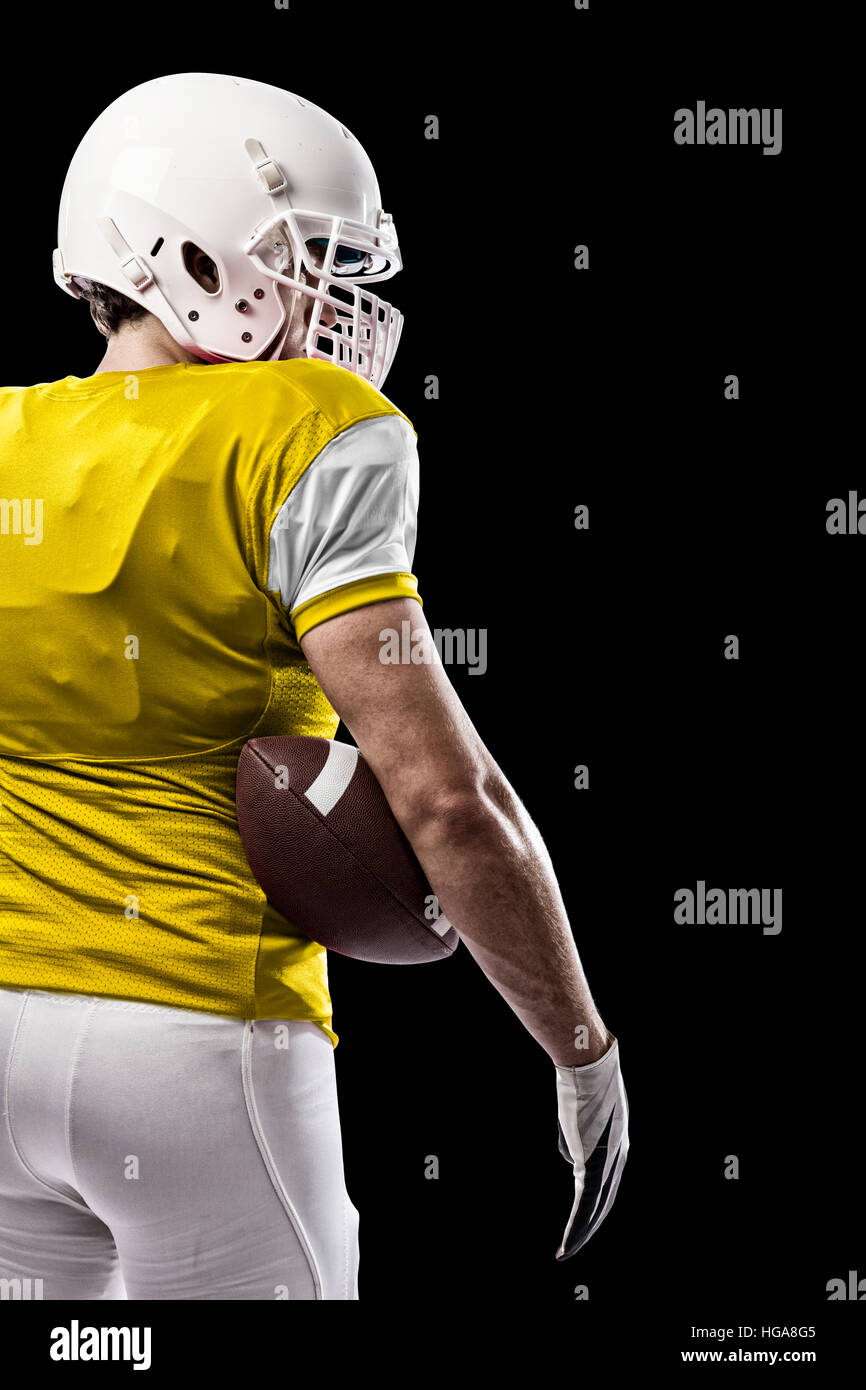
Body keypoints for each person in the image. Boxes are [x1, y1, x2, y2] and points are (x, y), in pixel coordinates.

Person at [0, 72, 628, 1301]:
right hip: (197, 1031)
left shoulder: (8, 436)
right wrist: (579, 1047)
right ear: (188, 249)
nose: (334, 299)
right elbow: (451, 804)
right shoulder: (306, 425)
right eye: (305, 257)